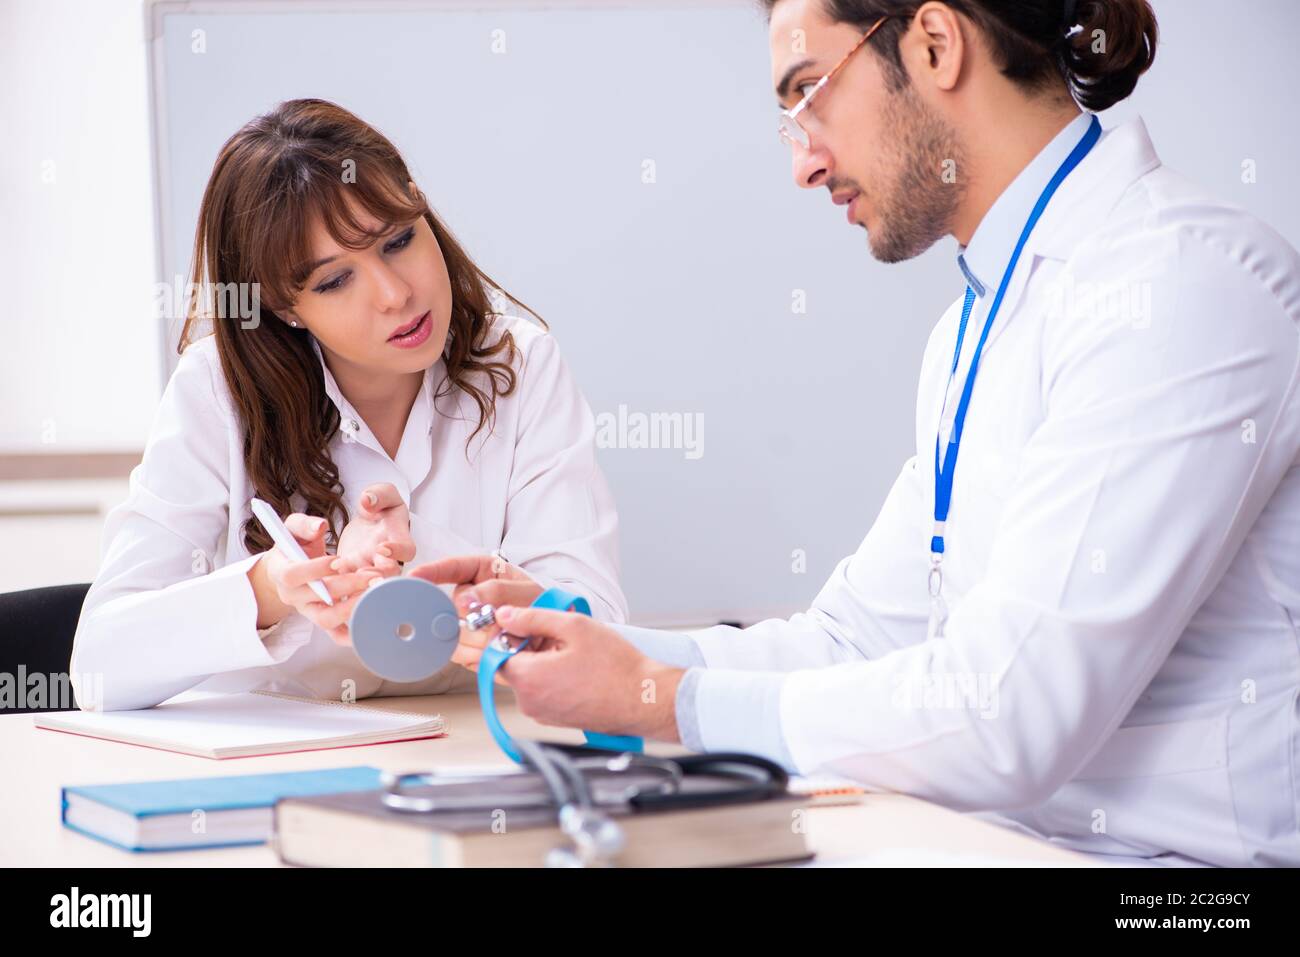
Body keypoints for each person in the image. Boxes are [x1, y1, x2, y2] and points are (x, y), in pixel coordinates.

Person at [415, 1, 1300, 866]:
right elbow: (854, 640)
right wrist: (564, 634)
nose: (802, 163)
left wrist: (664, 700)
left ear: (935, 43)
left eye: (807, 93)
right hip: (997, 840)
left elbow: (1009, 716)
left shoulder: (1178, 284)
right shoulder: (974, 326)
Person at [72, 99, 627, 712]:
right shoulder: (215, 389)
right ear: (283, 305)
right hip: (276, 773)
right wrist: (273, 586)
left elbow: (594, 627)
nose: (396, 295)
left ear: (420, 206)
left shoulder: (521, 366)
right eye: (335, 281)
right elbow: (100, 668)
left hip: (471, 759)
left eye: (398, 240)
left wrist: (417, 547)